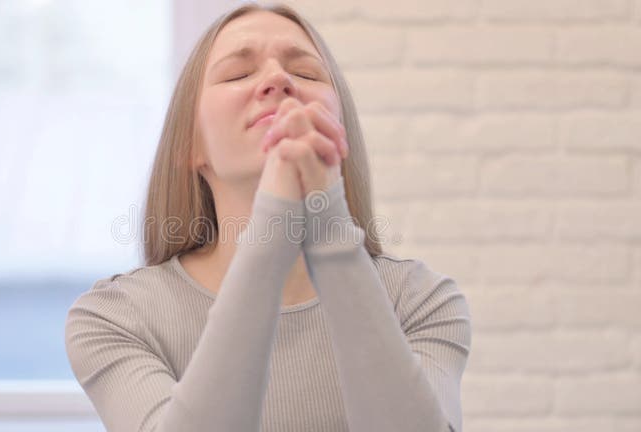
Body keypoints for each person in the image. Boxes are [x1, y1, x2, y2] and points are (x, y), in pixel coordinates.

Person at [64, 3, 472, 432]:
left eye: (306, 74)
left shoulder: (419, 301)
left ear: (340, 128)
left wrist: (328, 227)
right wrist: (274, 225)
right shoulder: (118, 317)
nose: (279, 80)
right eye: (238, 74)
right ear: (190, 145)